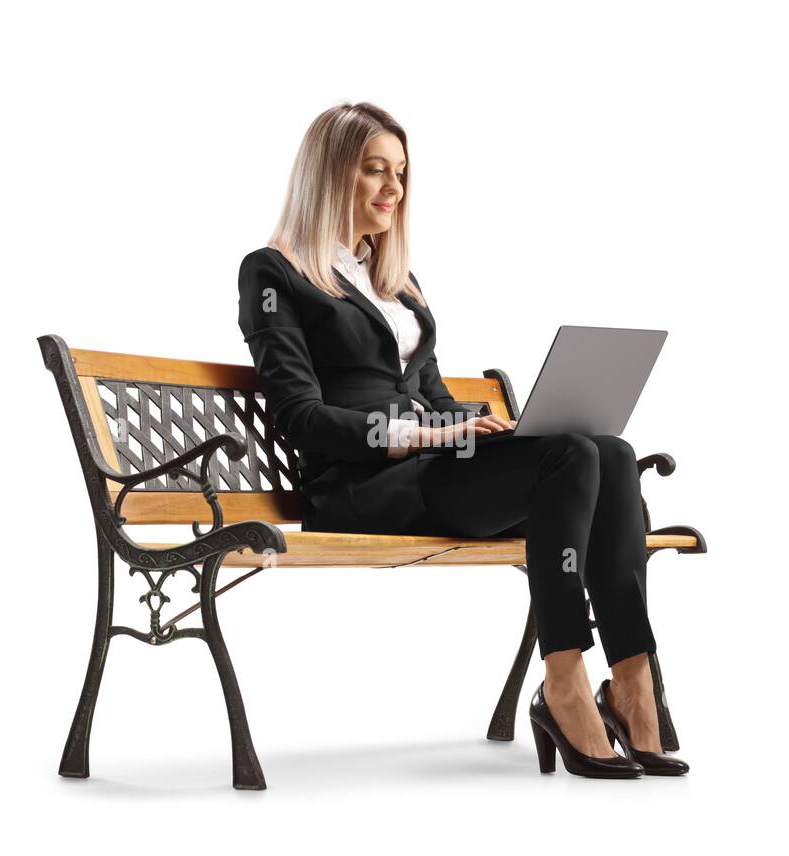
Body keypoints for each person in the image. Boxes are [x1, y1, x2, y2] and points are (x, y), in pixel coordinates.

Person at [237, 101, 688, 779]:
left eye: (401, 173)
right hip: (361, 487)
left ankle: (632, 685)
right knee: (572, 455)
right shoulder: (276, 273)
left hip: (431, 470)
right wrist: (431, 432)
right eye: (373, 170)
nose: (394, 187)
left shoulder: (399, 284)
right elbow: (298, 416)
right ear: (330, 175)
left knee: (612, 454)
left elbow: (436, 394)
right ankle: (563, 682)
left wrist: (487, 428)